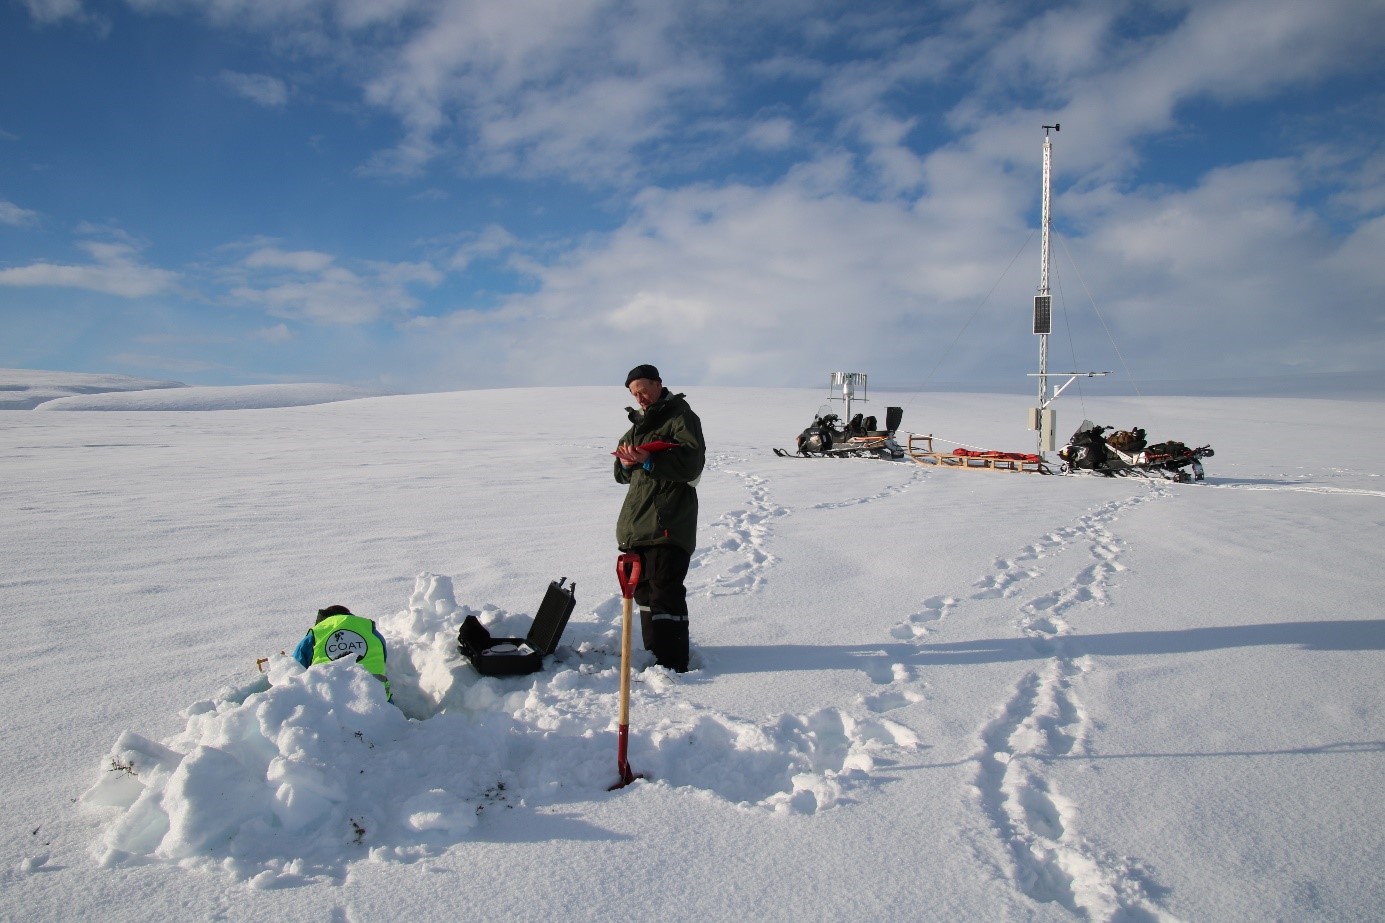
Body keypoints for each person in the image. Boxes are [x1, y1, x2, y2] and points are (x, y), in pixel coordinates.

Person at [613, 364, 706, 672]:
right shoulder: (637, 426)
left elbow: (691, 463)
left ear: (658, 384)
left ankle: (673, 662)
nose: (639, 398)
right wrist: (627, 463)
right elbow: (620, 473)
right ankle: (654, 655)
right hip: (637, 525)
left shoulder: (681, 417)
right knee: (643, 593)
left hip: (668, 522)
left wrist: (651, 459)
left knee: (665, 590)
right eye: (633, 394)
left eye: (642, 390)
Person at [293, 605, 391, 700]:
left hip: (327, 698)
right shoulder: (370, 629)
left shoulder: (317, 632)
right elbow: (382, 658)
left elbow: (295, 666)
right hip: (376, 696)